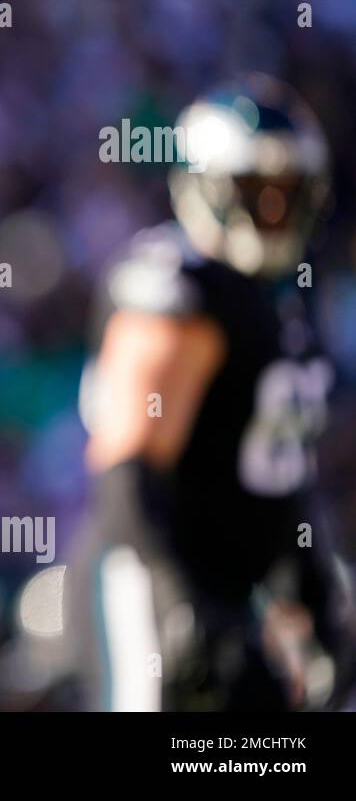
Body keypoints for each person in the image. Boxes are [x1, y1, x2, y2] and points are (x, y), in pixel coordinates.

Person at [70, 73, 352, 710]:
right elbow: (128, 469)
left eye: (289, 194)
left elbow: (277, 468)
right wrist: (178, 598)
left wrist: (309, 582)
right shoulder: (177, 290)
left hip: (237, 587)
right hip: (148, 576)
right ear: (205, 187)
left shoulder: (288, 291)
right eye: (256, 193)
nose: (275, 214)